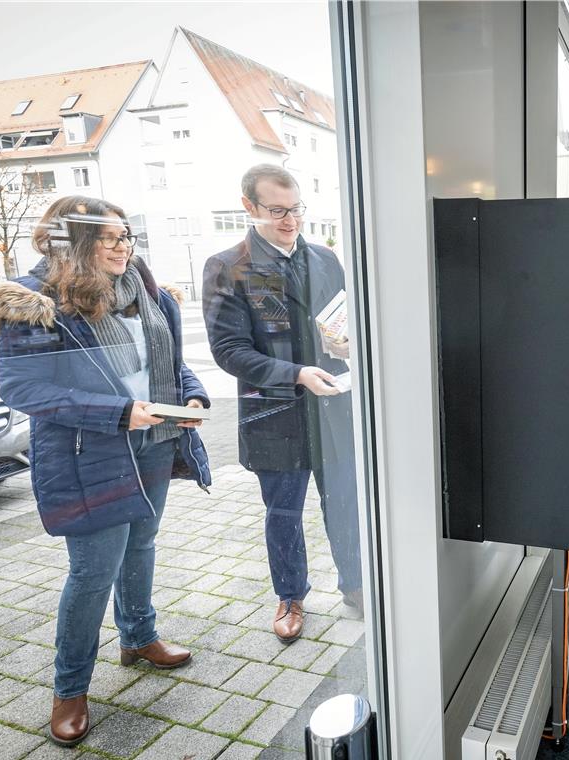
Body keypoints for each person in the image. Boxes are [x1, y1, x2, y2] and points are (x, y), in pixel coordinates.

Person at [0, 196, 211, 747]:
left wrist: (191, 395)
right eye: (109, 239)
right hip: (89, 453)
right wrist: (117, 413)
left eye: (127, 237)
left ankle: (138, 637)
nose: (123, 248)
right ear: (74, 245)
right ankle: (70, 689)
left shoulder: (146, 291)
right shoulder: (37, 303)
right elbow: (23, 387)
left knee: (142, 545)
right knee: (93, 571)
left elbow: (169, 363)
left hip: (154, 441)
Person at [203, 164, 361, 644]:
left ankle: (355, 585)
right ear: (249, 207)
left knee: (347, 505)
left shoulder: (325, 258)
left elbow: (339, 321)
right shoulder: (228, 266)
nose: (290, 220)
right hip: (276, 415)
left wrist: (347, 344)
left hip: (332, 408)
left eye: (295, 209)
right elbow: (229, 351)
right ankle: (291, 596)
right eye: (277, 211)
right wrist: (295, 374)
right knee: (285, 513)